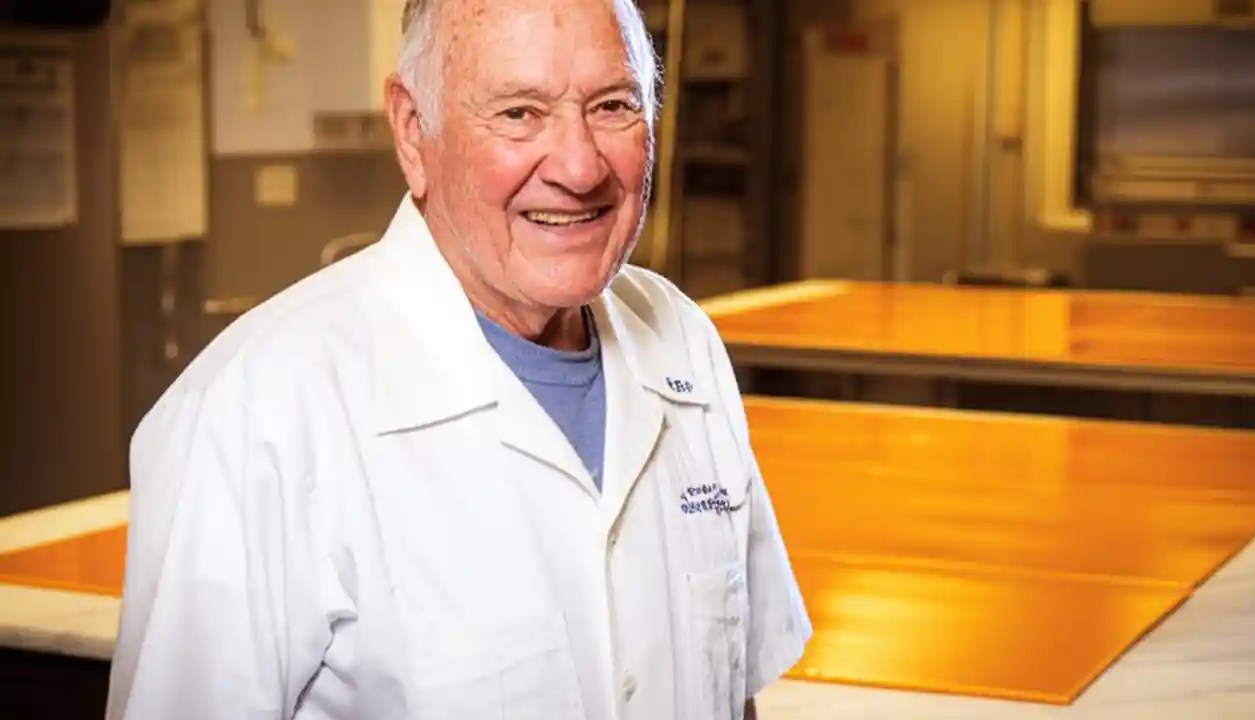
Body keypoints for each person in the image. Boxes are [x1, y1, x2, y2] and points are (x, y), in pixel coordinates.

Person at [106, 0, 811, 717]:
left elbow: (732, 695)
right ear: (414, 133)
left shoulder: (681, 341)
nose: (579, 166)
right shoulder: (257, 411)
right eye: (519, 114)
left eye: (612, 105)